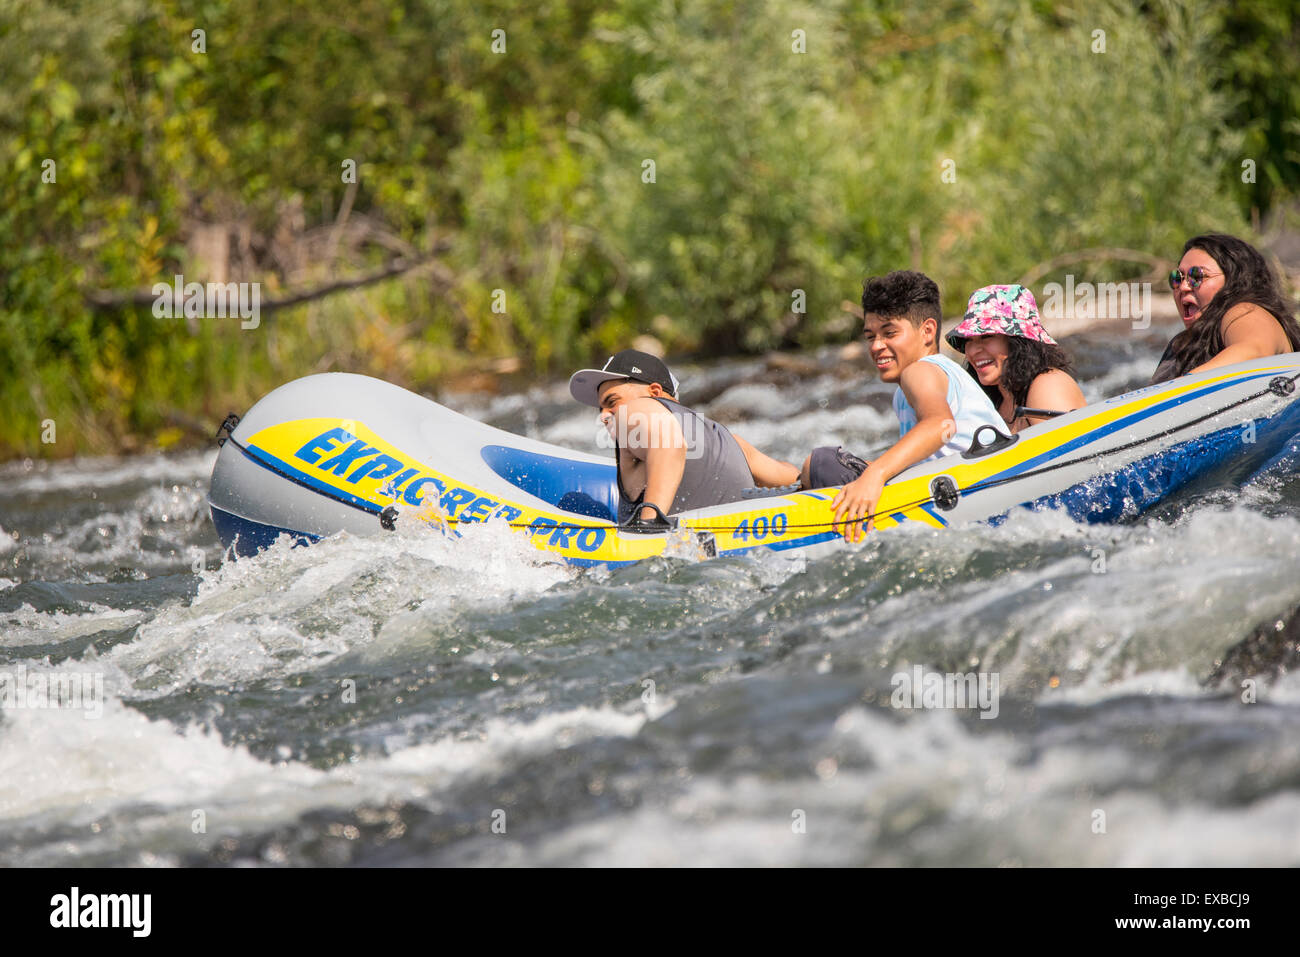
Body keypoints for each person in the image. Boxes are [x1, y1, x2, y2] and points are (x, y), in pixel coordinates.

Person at [800, 270, 1004, 541]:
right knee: (816, 469)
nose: (876, 346)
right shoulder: (930, 377)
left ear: (927, 331)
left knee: (822, 463)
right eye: (870, 336)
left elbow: (941, 425)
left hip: (979, 488)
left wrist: (875, 474)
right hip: (970, 490)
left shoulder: (919, 372)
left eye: (889, 333)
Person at [569, 349, 799, 527]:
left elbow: (670, 442)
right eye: (600, 408)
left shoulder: (637, 410)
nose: (603, 416)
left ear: (655, 393)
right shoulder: (730, 440)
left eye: (612, 402)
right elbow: (794, 478)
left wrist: (648, 524)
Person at [1151, 233, 1300, 383]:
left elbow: (1254, 352)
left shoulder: (1245, 311)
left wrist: (1177, 388)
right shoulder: (1183, 344)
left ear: (1235, 281)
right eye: (1177, 278)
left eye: (1196, 276)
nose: (1183, 286)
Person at [945, 284, 1085, 433]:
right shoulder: (993, 400)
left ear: (1018, 342)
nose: (973, 351)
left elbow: (1072, 452)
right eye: (968, 341)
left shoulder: (1048, 385)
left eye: (987, 336)